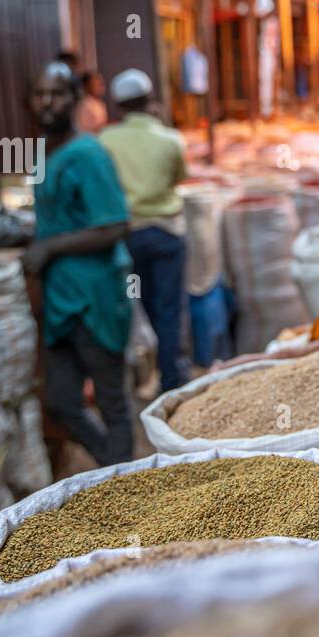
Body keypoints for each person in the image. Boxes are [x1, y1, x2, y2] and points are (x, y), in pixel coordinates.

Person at [22, 61, 134, 466]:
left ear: (74, 99)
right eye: (40, 94)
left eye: (57, 93)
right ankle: (112, 467)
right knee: (62, 400)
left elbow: (116, 225)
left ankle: (130, 489)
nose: (47, 102)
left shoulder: (88, 154)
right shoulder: (45, 154)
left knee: (111, 399)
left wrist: (51, 248)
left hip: (95, 294)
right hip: (59, 301)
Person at [98, 68, 189, 393]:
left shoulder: (105, 141)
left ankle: (137, 378)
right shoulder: (170, 139)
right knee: (168, 310)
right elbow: (180, 176)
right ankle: (172, 382)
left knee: (135, 309)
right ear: (150, 100)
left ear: (119, 106)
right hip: (166, 232)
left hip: (127, 236)